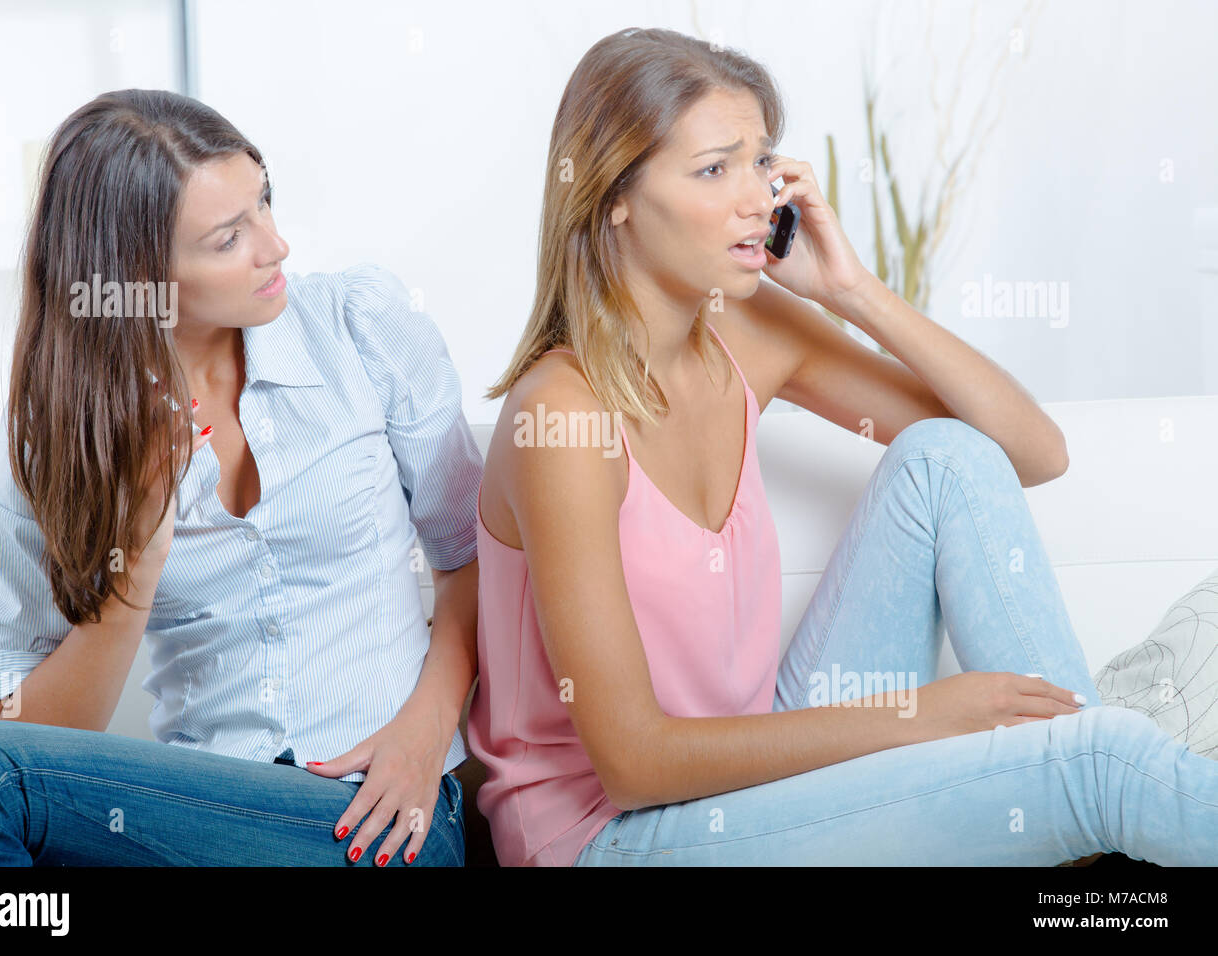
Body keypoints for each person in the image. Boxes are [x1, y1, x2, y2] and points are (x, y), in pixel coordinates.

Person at [467, 26, 1218, 866]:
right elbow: (635, 763)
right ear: (615, 196)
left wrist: (851, 291)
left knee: (946, 456)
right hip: (614, 837)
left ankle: (1083, 816)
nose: (757, 197)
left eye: (761, 161)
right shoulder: (563, 419)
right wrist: (923, 717)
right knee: (1108, 764)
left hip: (746, 774)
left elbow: (1031, 452)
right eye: (715, 169)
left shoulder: (748, 332)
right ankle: (1094, 785)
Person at [0, 89, 481, 867]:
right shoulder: (62, 448)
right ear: (138, 277)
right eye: (228, 238)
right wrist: (138, 555)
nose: (275, 246)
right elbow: (25, 749)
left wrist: (427, 732)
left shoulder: (359, 327)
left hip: (389, 813)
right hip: (196, 821)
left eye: (265, 202)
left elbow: (474, 556)